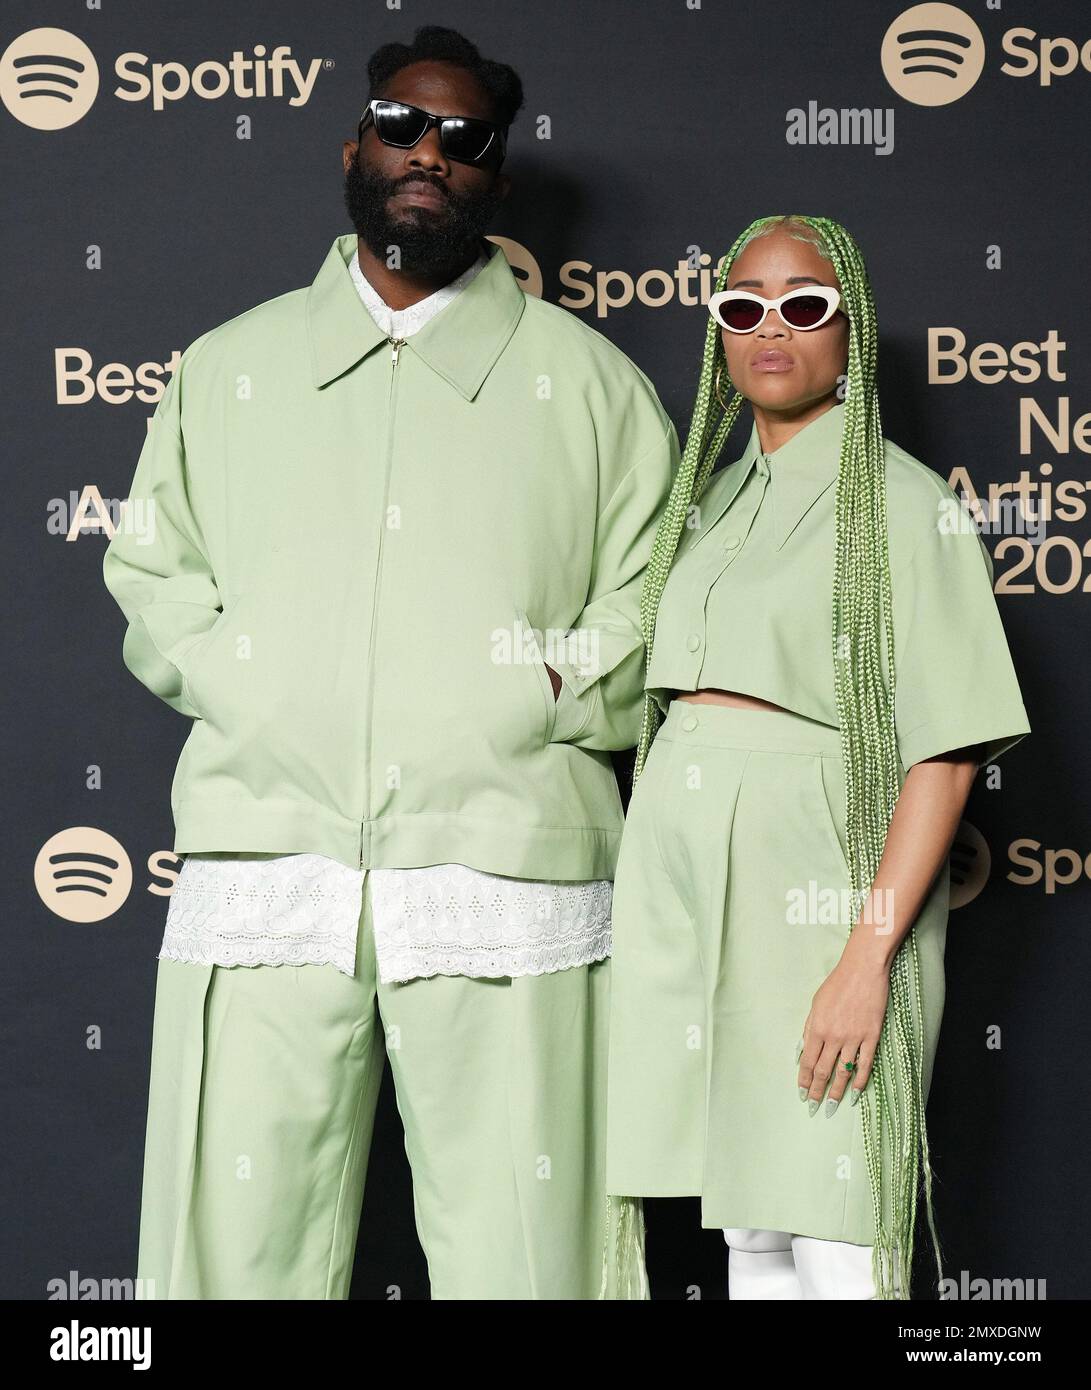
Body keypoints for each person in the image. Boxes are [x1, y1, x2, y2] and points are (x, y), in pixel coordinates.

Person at [102, 25, 677, 1300]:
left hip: (507, 867)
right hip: (271, 864)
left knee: (537, 1261)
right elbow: (151, 569)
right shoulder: (228, 370)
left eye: (465, 139)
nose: (431, 153)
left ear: (498, 181)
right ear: (355, 146)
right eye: (403, 124)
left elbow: (652, 596)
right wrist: (259, 689)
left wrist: (540, 694)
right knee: (229, 1256)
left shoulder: (590, 387)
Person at [604, 214, 1030, 1300]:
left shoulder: (902, 504)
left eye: (804, 304)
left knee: (838, 1217)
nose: (769, 328)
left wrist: (862, 960)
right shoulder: (704, 503)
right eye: (741, 306)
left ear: (851, 326)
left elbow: (941, 754)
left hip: (820, 885)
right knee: (751, 1223)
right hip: (690, 888)